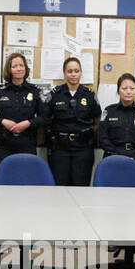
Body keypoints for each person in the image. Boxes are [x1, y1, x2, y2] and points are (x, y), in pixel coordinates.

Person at [0, 52, 46, 170]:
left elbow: (44, 117)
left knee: (28, 179)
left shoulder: (35, 91)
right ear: (9, 69)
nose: (19, 69)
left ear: (26, 68)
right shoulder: (0, 91)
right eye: (15, 66)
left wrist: (28, 123)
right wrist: (3, 122)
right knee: (4, 180)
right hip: (4, 144)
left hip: (27, 143)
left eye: (21, 65)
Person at [46, 56, 100, 186]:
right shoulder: (54, 94)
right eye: (70, 71)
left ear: (81, 72)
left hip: (83, 149)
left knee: (81, 187)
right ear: (64, 73)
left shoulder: (89, 95)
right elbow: (46, 119)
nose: (73, 74)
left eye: (76, 71)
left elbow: (97, 119)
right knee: (60, 187)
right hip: (60, 149)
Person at [98, 73, 135, 167]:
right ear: (118, 91)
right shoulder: (109, 112)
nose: (128, 91)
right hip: (112, 159)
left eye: (132, 88)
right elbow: (102, 138)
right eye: (124, 88)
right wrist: (116, 157)